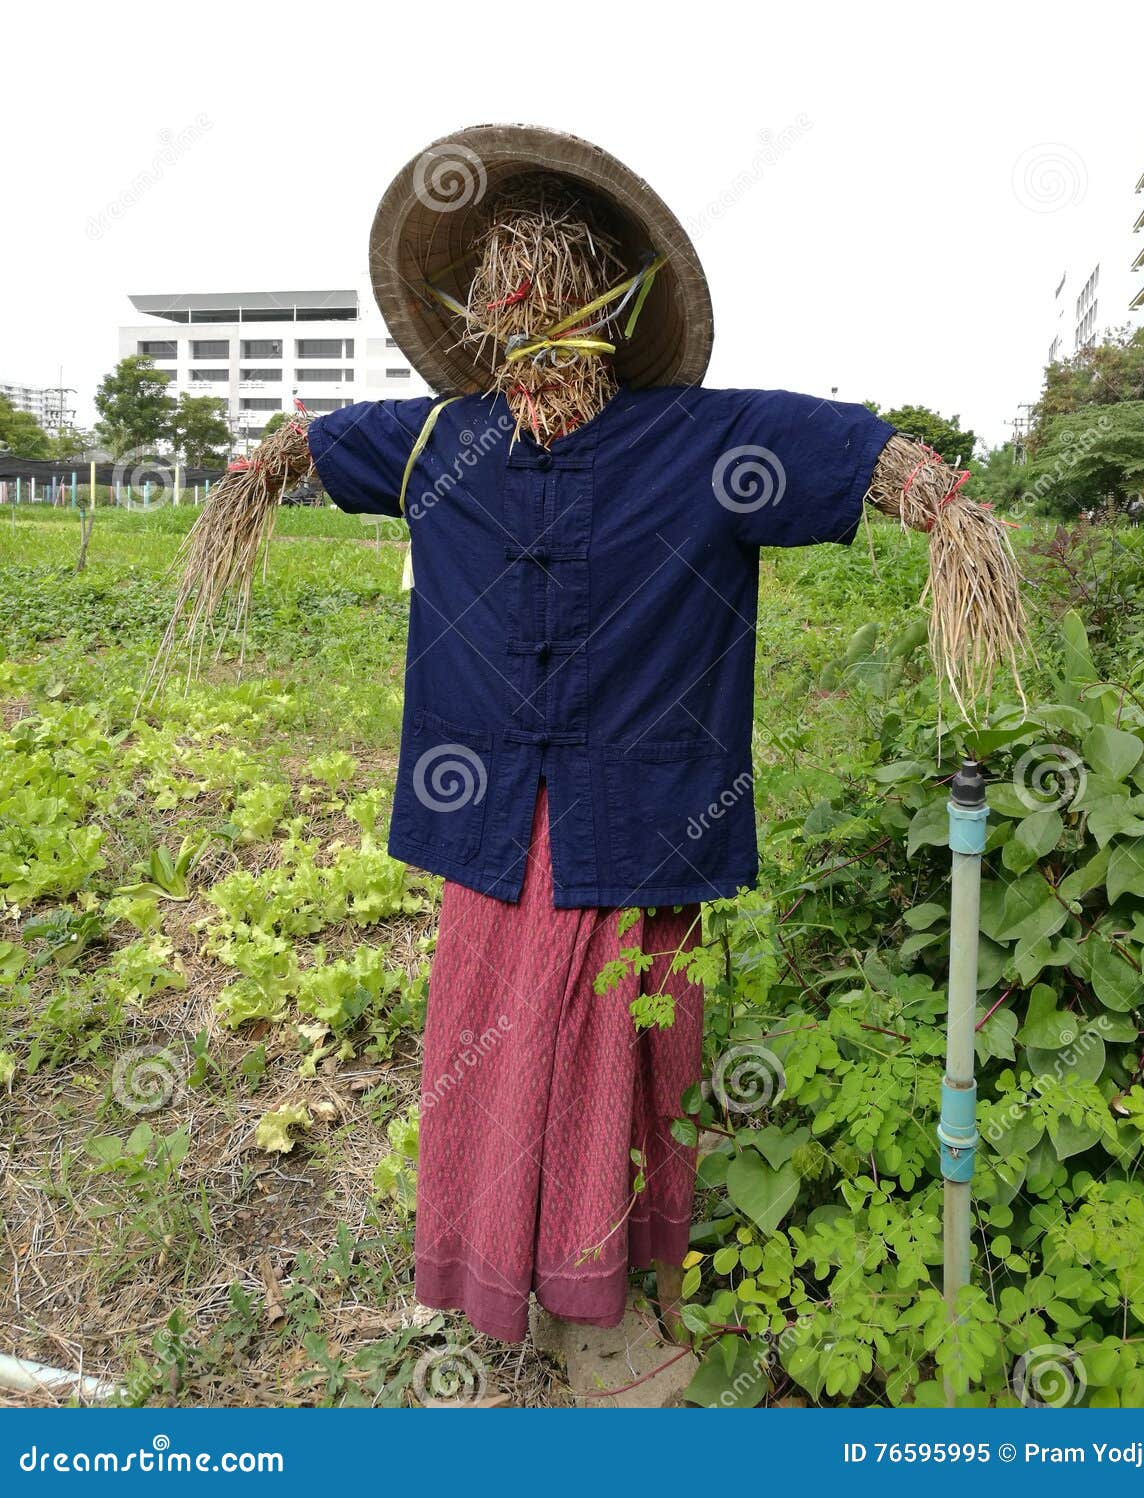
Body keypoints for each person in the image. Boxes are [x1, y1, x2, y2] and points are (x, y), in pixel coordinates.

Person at [165, 124, 1022, 1346]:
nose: (531, 328)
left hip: (644, 814)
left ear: (607, 313)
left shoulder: (711, 442)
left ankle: (617, 1274)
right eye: (508, 299)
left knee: (629, 1035)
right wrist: (254, 476)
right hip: (496, 822)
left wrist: (949, 515)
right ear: (480, 321)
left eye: (552, 296)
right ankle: (491, 1266)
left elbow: (868, 457)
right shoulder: (436, 442)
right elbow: (315, 442)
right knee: (492, 1045)